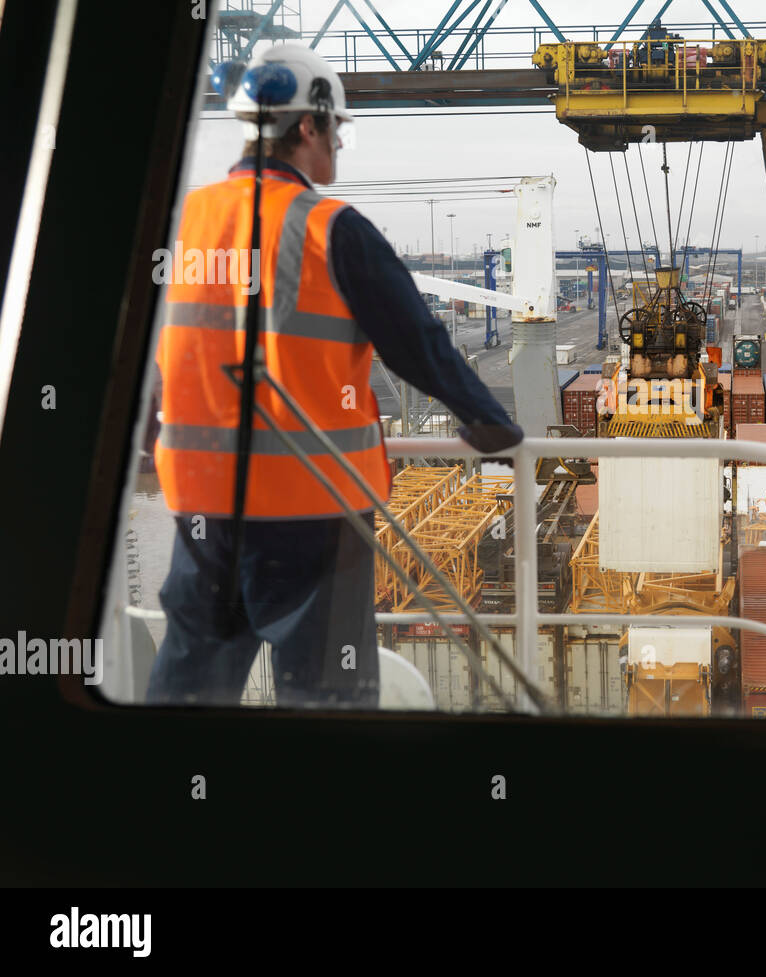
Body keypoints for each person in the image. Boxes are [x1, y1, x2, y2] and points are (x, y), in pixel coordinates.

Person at [146, 43, 522, 709]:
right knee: (327, 704)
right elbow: (419, 343)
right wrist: (487, 418)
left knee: (185, 698)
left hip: (202, 512)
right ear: (309, 126)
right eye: (337, 130)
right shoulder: (330, 227)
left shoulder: (184, 221)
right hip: (311, 514)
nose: (338, 146)